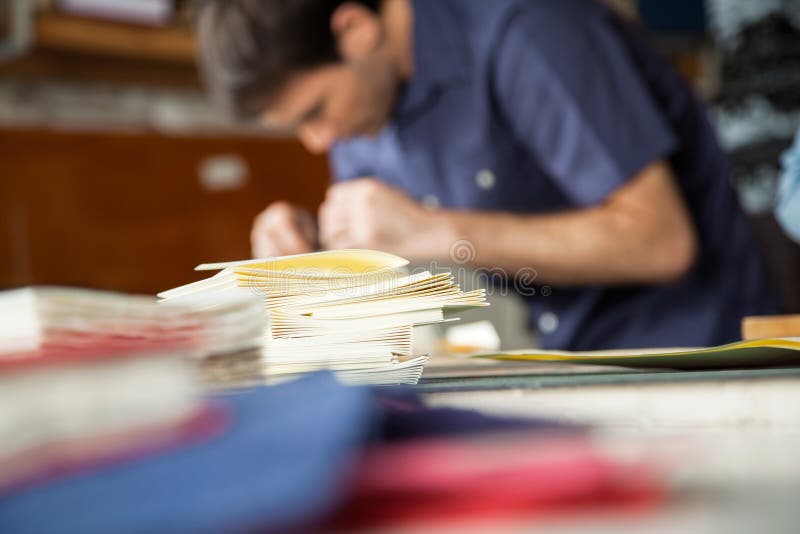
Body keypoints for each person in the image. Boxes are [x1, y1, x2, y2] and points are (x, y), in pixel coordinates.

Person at [198, 0, 777, 350]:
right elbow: (391, 245)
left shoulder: (528, 30)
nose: (318, 142)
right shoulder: (365, 100)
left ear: (354, 28)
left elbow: (661, 242)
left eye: (315, 112)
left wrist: (437, 233)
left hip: (699, 349)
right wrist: (313, 250)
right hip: (559, 357)